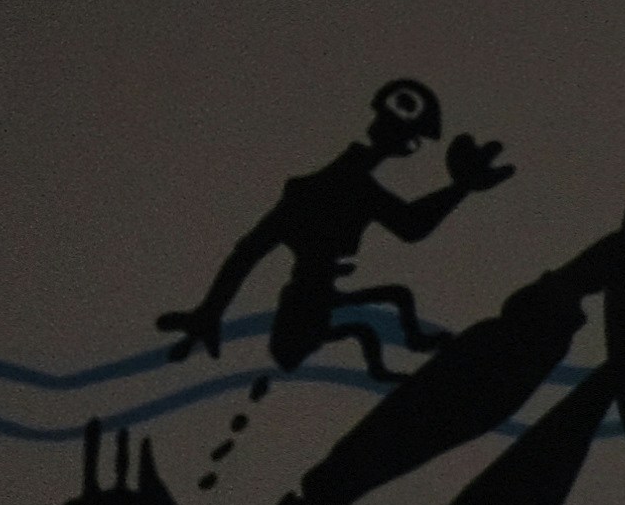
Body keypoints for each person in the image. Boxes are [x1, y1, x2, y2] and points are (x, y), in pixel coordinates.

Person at [155, 78, 512, 382]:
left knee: (388, 304)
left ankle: (413, 345)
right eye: (411, 141)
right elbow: (411, 226)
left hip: (313, 296)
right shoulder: (334, 189)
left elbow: (249, 251)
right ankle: (412, 345)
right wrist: (460, 188)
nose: (408, 149)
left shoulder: (343, 187)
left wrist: (212, 310)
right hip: (309, 300)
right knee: (388, 304)